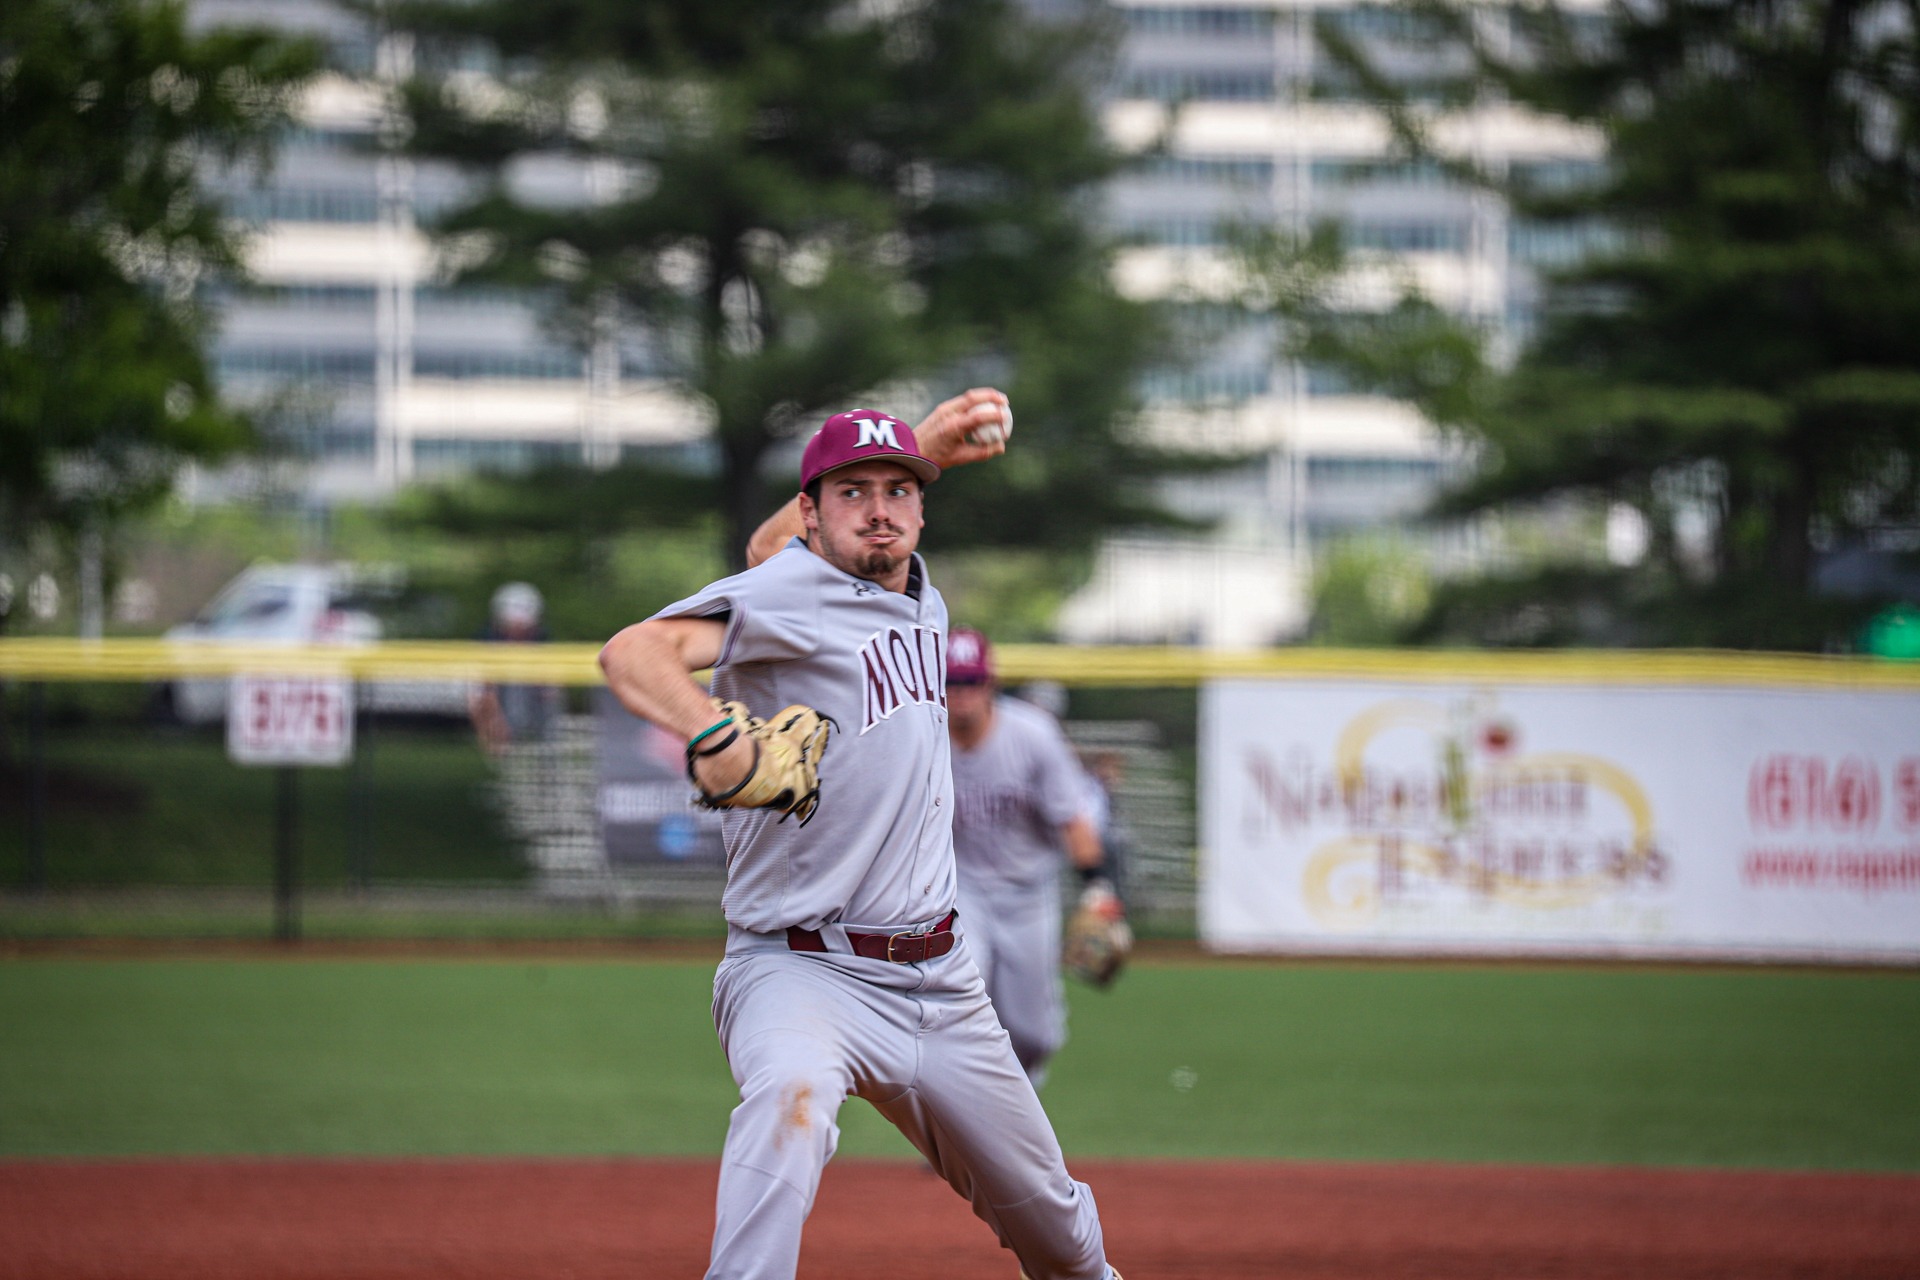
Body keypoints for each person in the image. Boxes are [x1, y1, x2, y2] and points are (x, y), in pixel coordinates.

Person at [599, 391, 1120, 1280]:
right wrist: (713, 731)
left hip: (942, 985)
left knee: (1061, 1233)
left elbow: (773, 548)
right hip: (802, 968)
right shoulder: (790, 592)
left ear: (922, 505)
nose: (880, 509)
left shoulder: (917, 595)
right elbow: (632, 653)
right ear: (811, 511)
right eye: (851, 491)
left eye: (899, 488)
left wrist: (927, 447)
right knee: (788, 1106)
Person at [945, 627, 1116, 1087]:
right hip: (961, 892)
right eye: (951, 682)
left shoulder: (1032, 735)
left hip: (1028, 891)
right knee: (960, 997)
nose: (960, 694)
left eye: (970, 682)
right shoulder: (921, 739)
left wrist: (1098, 887)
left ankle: (1016, 1107)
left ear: (990, 683)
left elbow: (1073, 819)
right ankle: (959, 1129)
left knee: (1033, 1034)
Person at [469, 582, 560, 754]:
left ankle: (544, 745)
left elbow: (550, 683)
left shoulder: (540, 639)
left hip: (531, 696)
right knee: (480, 697)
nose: (518, 631)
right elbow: (482, 687)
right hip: (498, 693)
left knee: (551, 692)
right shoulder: (489, 641)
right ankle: (496, 746)